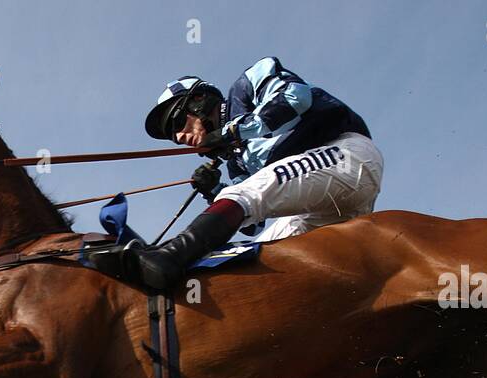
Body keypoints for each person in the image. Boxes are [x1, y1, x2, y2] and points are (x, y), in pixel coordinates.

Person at [128, 59, 381, 289]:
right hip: (323, 210)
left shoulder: (247, 85)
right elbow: (253, 224)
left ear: (199, 100)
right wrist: (213, 191)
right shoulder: (236, 162)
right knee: (256, 254)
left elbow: (296, 97)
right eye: (173, 137)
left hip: (348, 156)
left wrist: (231, 132)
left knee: (244, 193)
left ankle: (171, 256)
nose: (179, 137)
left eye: (177, 122)